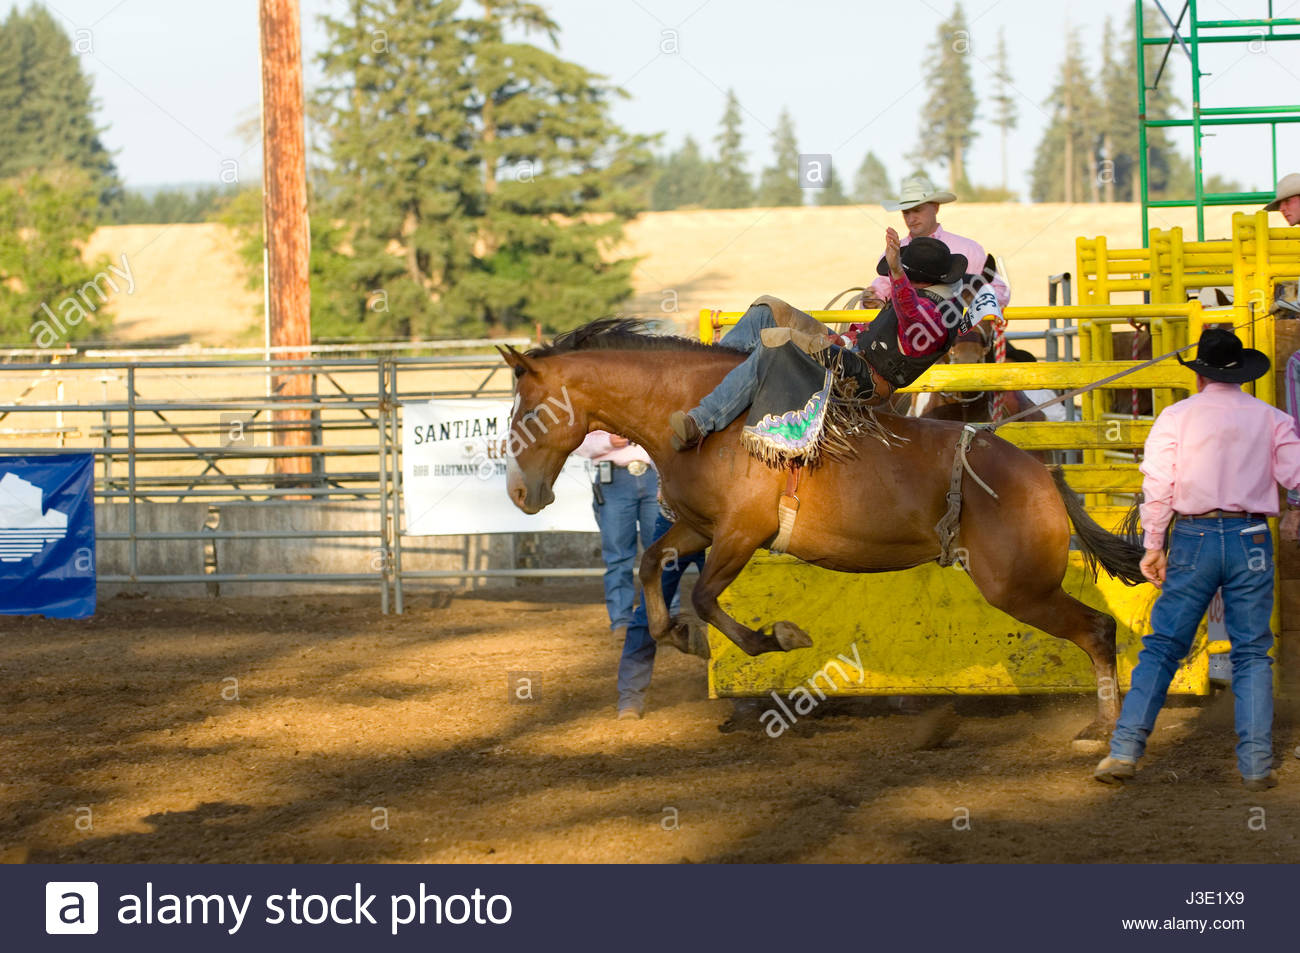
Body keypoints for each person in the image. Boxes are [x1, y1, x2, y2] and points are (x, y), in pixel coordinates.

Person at [1094, 328, 1300, 791]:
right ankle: (1255, 765)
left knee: (1164, 646)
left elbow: (1158, 485)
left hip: (1194, 536)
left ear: (1201, 375)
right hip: (1250, 536)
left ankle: (1125, 751)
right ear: (1242, 374)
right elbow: (1296, 473)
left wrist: (1153, 545)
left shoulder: (1176, 417)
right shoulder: (1270, 418)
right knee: (1252, 652)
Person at [670, 228, 970, 450]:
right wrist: (848, 340)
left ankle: (702, 421)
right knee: (768, 308)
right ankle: (706, 383)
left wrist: (895, 272)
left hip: (865, 382)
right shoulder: (925, 301)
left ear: (917, 278)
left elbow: (911, 314)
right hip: (851, 357)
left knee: (779, 339)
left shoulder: (933, 315)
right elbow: (894, 325)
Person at [863, 175, 1010, 310]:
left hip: (960, 336)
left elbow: (999, 292)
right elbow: (880, 291)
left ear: (935, 207)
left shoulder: (969, 249)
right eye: (906, 213)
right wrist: (872, 300)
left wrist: (972, 301)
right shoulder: (894, 251)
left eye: (917, 210)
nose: (911, 219)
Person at [615, 512, 706, 720]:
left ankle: (743, 694)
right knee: (650, 612)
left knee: (731, 605)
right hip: (677, 524)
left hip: (711, 524)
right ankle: (630, 698)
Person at [575, 430, 659, 641]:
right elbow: (577, 442)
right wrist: (608, 441)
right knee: (618, 555)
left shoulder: (650, 396)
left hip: (654, 474)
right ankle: (622, 620)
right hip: (613, 478)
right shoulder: (596, 401)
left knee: (661, 552)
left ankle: (665, 615)